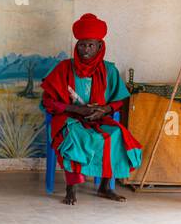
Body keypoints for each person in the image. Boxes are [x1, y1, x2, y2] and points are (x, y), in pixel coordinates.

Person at [41, 13, 142, 206]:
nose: (85, 50)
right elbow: (49, 102)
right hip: (69, 118)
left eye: (90, 45)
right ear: (76, 45)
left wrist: (104, 109)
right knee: (76, 136)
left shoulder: (109, 70)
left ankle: (105, 187)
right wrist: (79, 111)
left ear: (100, 47)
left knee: (117, 134)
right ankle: (71, 189)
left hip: (99, 118)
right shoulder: (64, 68)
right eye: (81, 45)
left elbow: (118, 101)